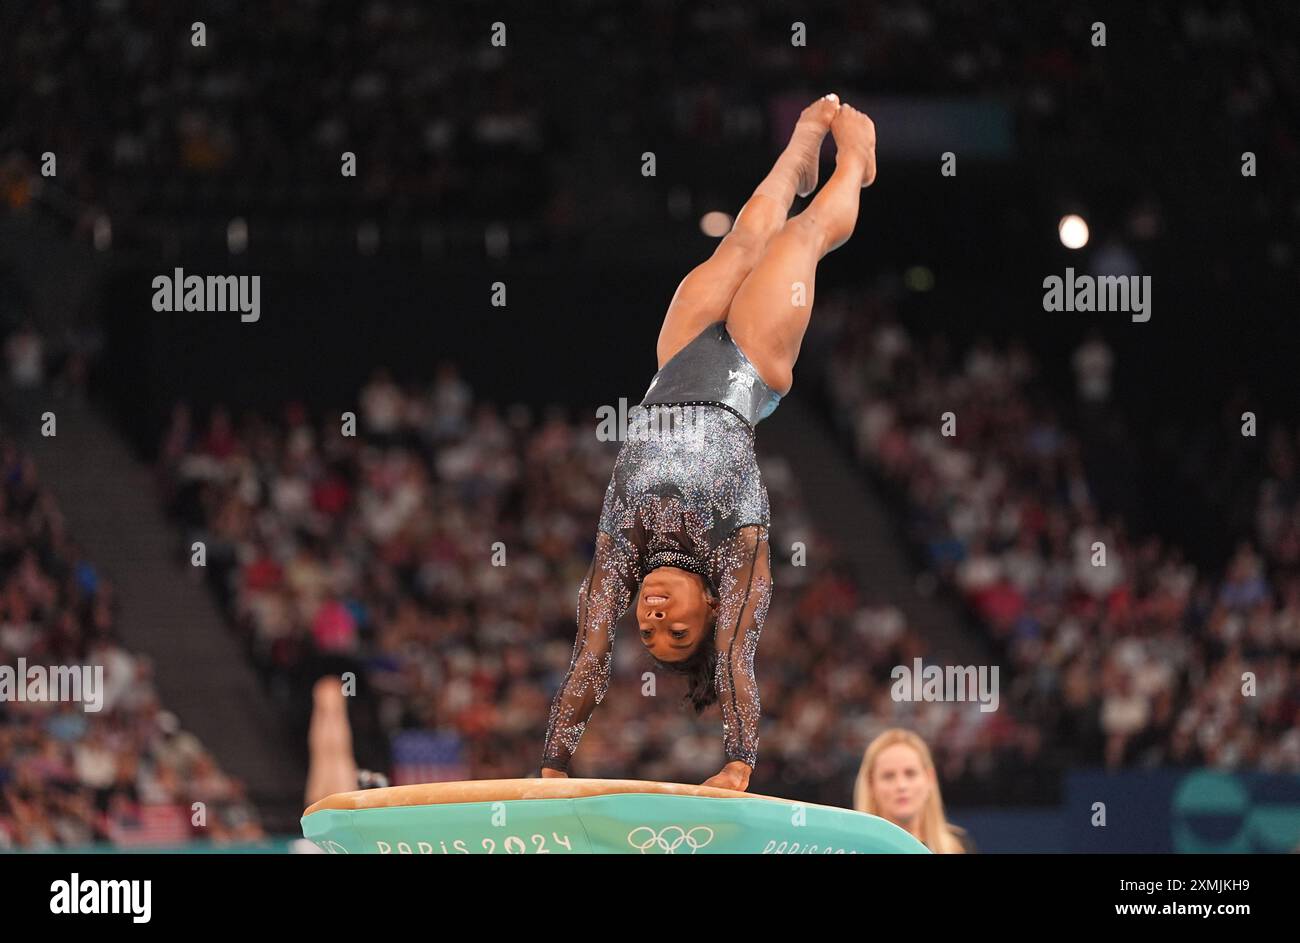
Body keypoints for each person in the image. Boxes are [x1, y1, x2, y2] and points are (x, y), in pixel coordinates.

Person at [541, 94, 877, 791]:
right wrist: (739, 760)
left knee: (744, 240)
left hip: (675, 363)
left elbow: (588, 656)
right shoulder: (737, 552)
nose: (657, 619)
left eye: (650, 631)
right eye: (678, 633)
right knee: (796, 240)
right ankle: (854, 170)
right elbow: (735, 655)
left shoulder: (621, 549)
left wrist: (552, 765)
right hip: (748, 370)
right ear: (711, 610)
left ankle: (799, 151)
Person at [853, 728, 973, 853]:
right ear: (871, 784)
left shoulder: (960, 847)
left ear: (929, 778)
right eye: (888, 776)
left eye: (910, 773)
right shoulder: (851, 849)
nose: (901, 785)